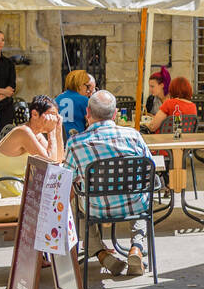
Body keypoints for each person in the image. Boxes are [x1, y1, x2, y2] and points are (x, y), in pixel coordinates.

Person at [64, 89, 155, 277]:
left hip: (96, 208)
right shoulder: (133, 136)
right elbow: (150, 167)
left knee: (75, 199)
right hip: (133, 205)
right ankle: (136, 248)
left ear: (87, 114)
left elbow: (67, 180)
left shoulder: (75, 143)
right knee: (141, 192)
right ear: (115, 114)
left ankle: (101, 253)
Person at [0, 95, 65, 197]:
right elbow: (51, 165)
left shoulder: (36, 134)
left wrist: (58, 130)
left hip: (16, 185)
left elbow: (58, 160)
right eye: (51, 115)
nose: (53, 120)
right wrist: (51, 132)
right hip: (2, 189)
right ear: (34, 114)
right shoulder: (23, 132)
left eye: (56, 116)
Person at [56, 69, 91, 138]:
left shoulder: (57, 99)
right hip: (77, 139)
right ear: (80, 85)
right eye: (87, 86)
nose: (88, 90)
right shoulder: (84, 100)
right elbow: (91, 122)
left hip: (60, 138)